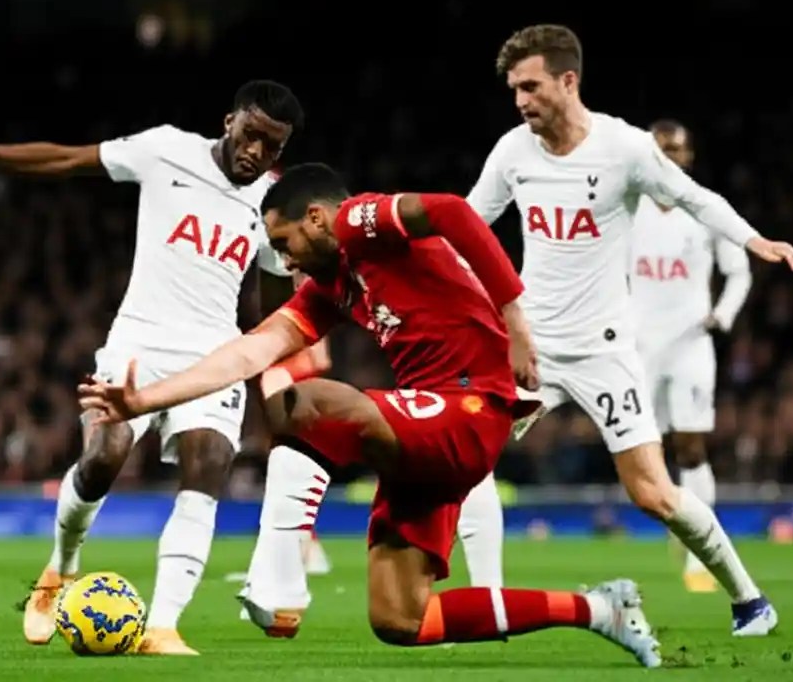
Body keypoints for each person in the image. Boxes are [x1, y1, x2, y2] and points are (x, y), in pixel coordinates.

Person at [79, 163, 662, 667]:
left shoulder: (360, 220)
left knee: (307, 399)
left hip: (470, 402)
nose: (283, 262)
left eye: (283, 244)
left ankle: (279, 575)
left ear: (315, 218)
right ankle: (600, 609)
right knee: (401, 620)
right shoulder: (329, 287)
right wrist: (145, 401)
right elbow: (249, 350)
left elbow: (453, 211)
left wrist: (515, 322)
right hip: (426, 428)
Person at [0, 79, 303, 654]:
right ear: (229, 120)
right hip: (140, 343)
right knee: (104, 456)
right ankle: (59, 570)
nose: (256, 152)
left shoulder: (272, 198)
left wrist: (271, 355)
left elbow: (263, 292)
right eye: (251, 134)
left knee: (208, 467)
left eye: (272, 145)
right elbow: (64, 159)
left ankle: (162, 626)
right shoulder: (166, 150)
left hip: (214, 359)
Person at [464, 23, 793, 636]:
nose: (519, 101)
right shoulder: (513, 151)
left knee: (652, 493)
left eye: (531, 87)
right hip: (532, 346)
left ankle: (750, 600)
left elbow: (695, 197)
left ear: (569, 81)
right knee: (465, 457)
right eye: (514, 89)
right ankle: (488, 604)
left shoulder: (624, 149)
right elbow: (468, 225)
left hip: (604, 350)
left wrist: (755, 241)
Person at [630, 119, 751, 592]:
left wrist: (721, 316)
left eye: (678, 150)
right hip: (639, 347)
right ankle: (677, 521)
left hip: (690, 346)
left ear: (690, 156)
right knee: (645, 451)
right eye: (662, 150)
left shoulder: (705, 211)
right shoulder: (629, 207)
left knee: (693, 446)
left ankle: (701, 557)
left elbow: (739, 272)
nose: (671, 158)